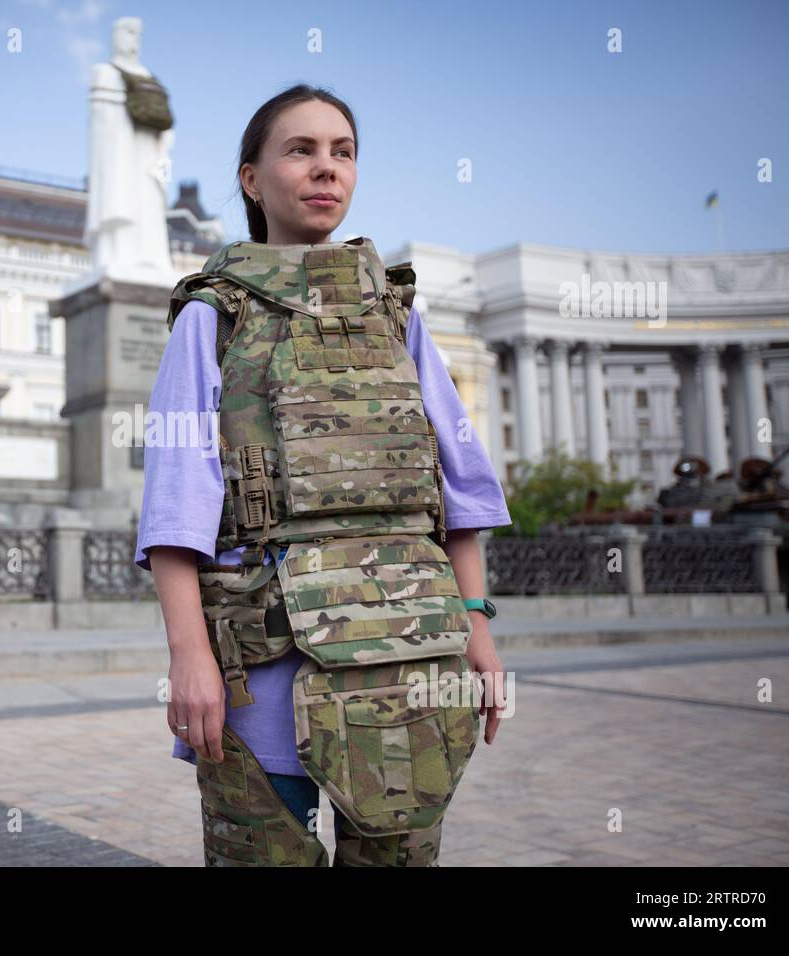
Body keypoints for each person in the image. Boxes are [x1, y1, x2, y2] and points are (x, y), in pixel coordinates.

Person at [135, 84, 511, 866]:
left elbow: (461, 487)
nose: (326, 168)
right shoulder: (213, 317)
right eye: (300, 150)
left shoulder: (397, 316)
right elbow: (177, 503)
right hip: (265, 673)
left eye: (342, 152)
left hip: (407, 669)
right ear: (250, 178)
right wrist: (188, 657)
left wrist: (477, 626)